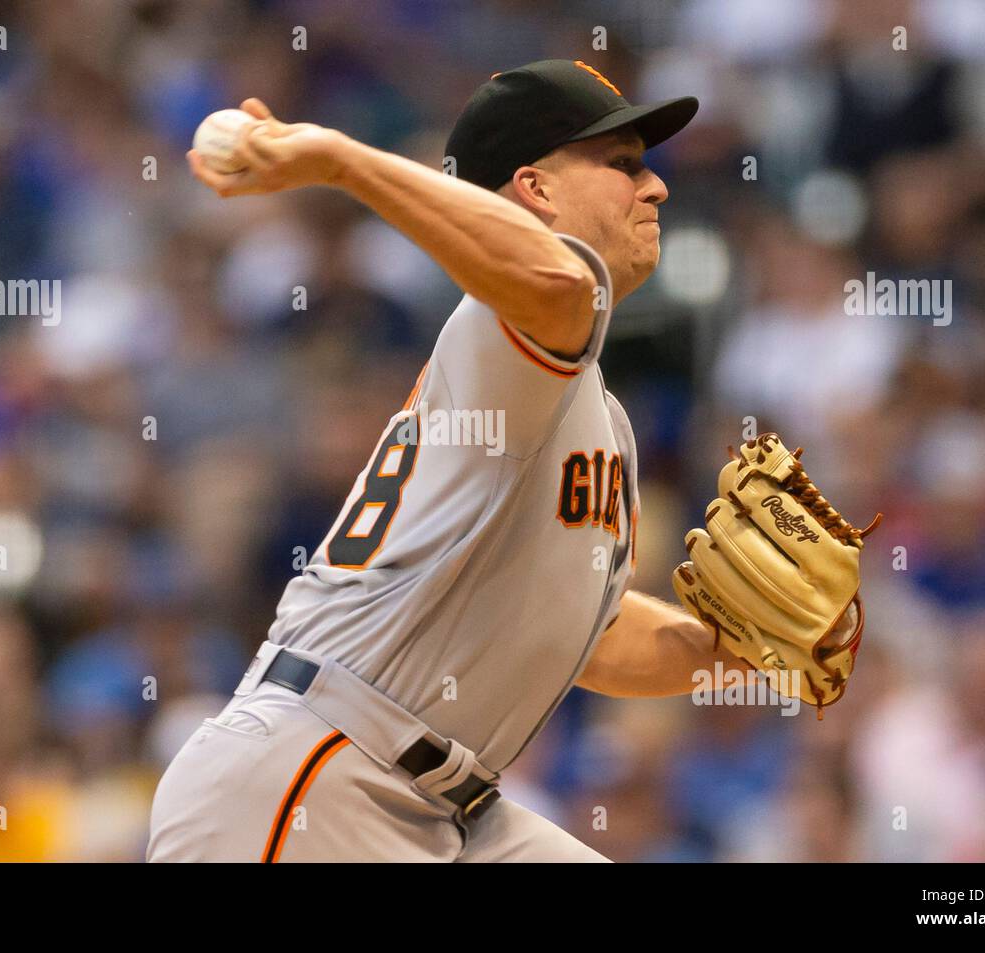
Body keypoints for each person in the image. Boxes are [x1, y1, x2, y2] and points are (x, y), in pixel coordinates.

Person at [148, 59, 749, 863]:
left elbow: (591, 638)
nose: (657, 187)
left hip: (445, 808)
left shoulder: (595, 412)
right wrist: (338, 160)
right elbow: (558, 278)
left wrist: (738, 652)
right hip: (313, 774)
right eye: (623, 164)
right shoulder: (519, 319)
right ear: (534, 189)